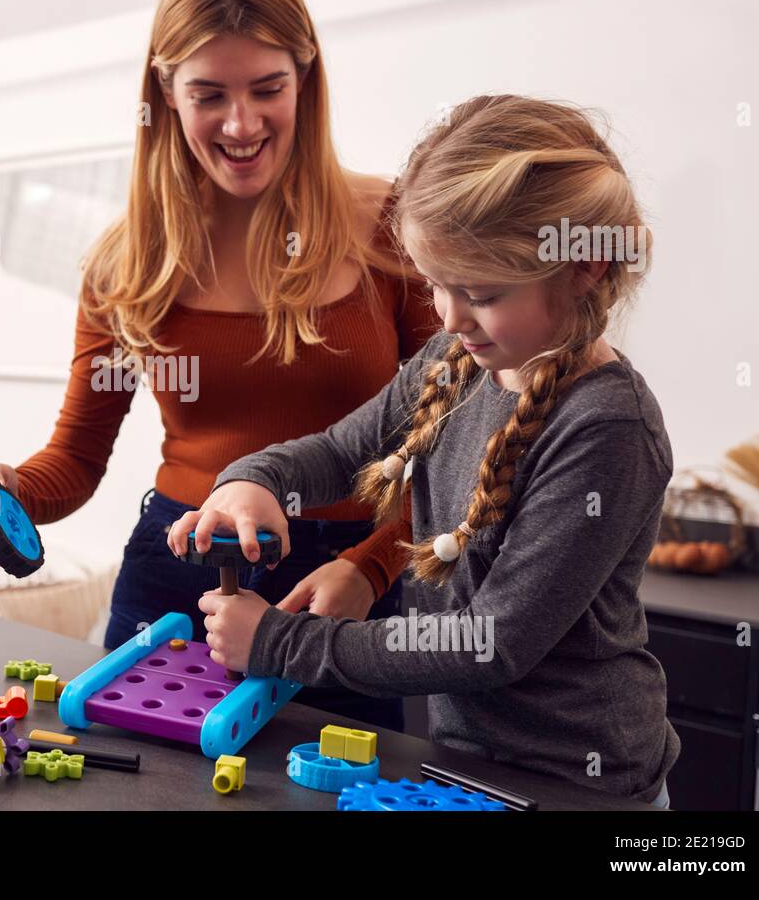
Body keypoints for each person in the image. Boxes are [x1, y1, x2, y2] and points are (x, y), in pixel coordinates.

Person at [0, 0, 439, 729]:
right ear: (165, 94)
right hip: (172, 579)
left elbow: (444, 442)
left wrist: (371, 568)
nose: (241, 124)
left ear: (306, 80)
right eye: (209, 94)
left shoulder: (389, 225)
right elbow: (76, 458)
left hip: (345, 590)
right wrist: (12, 490)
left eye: (267, 89)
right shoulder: (127, 261)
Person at [173, 94, 679, 804]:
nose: (449, 315)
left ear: (585, 265)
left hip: (581, 785)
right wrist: (250, 481)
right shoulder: (458, 357)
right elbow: (338, 450)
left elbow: (490, 642)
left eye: (483, 291)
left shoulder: (606, 427)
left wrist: (280, 643)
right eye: (437, 284)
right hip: (468, 762)